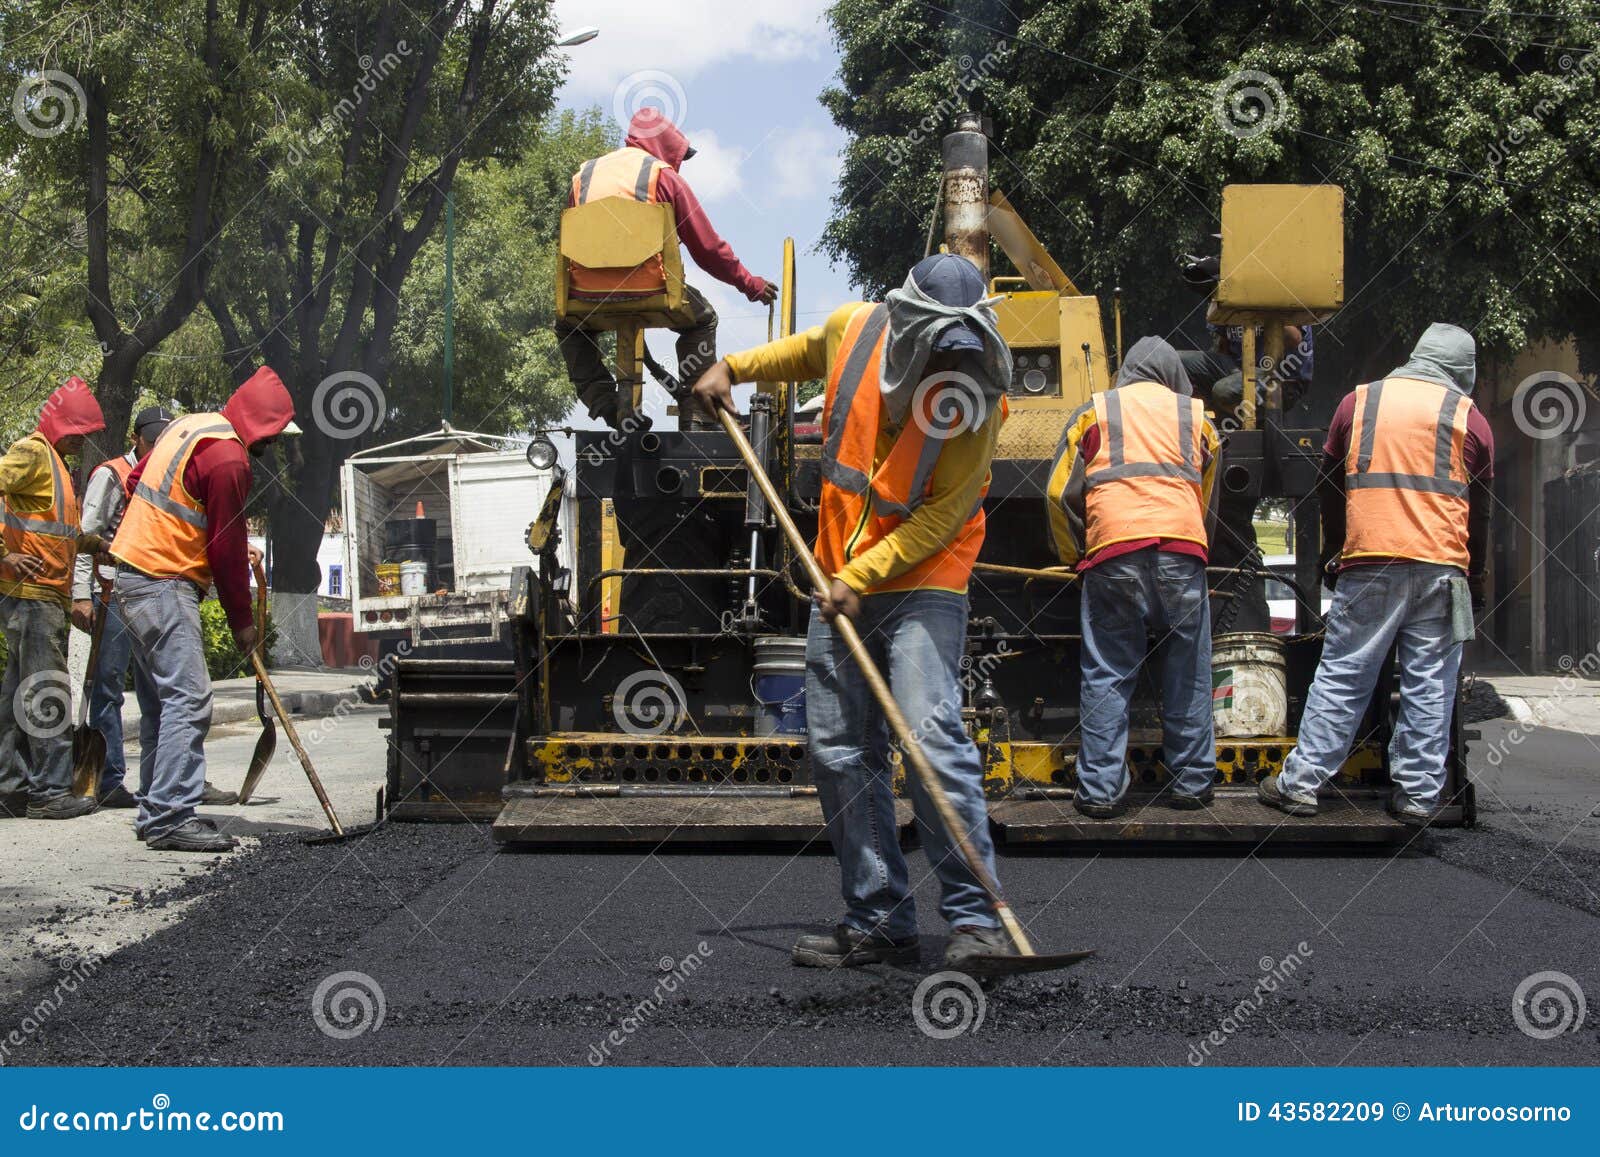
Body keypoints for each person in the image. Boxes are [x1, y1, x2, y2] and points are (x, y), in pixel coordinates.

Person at [694, 252, 1014, 970]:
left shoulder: (976, 399)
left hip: (926, 581)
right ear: (907, 329)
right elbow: (805, 350)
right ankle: (878, 919)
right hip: (838, 575)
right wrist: (733, 368)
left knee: (930, 740)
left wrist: (861, 576)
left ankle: (977, 922)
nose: (947, 363)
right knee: (840, 750)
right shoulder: (857, 329)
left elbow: (942, 517)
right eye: (936, 348)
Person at [1258, 323, 1493, 826]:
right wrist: (1475, 580)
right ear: (1462, 370)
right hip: (1441, 568)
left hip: (1369, 563)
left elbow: (1328, 486)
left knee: (1344, 674)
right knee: (1430, 683)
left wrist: (1333, 551)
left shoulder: (1357, 403)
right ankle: (1418, 796)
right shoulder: (1470, 418)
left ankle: (1300, 786)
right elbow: (1481, 515)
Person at [110, 367, 298, 852]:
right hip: (163, 581)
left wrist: (165, 532)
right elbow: (225, 546)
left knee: (162, 703)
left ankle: (156, 806)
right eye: (274, 434)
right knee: (190, 699)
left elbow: (136, 481)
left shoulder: (189, 426)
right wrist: (242, 623)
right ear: (260, 424)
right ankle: (170, 816)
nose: (273, 444)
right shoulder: (230, 460)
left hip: (131, 575)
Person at [1046, 337, 1221, 817]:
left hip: (1113, 555)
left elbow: (1058, 495)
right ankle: (1192, 783)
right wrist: (1197, 551)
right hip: (1182, 555)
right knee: (1188, 670)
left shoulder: (1093, 413)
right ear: (1174, 375)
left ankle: (1100, 791)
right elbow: (1206, 502)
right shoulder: (1199, 419)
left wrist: (1076, 557)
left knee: (1107, 671)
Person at [557, 107, 777, 430]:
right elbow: (708, 249)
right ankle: (697, 414)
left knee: (568, 327)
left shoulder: (583, 177)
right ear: (666, 146)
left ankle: (607, 405)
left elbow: (569, 240)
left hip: (588, 294)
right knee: (703, 319)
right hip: (649, 288)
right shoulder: (663, 176)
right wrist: (750, 284)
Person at [71, 406, 243, 810]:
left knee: (162, 697)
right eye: (150, 441)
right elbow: (86, 536)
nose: (156, 447)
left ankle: (158, 785)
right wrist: (80, 593)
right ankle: (110, 778)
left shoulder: (170, 462)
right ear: (136, 438)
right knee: (109, 687)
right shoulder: (112, 474)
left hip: (154, 586)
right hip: (112, 593)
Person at [0, 377, 106, 819]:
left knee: (16, 695)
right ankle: (49, 792)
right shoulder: (32, 452)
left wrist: (97, 545)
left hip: (40, 596)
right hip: (33, 597)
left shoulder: (57, 464)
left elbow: (59, 533)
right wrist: (4, 554)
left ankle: (9, 787)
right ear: (60, 424)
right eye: (78, 431)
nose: (82, 440)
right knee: (47, 691)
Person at [1179, 322, 1314, 632]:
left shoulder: (1268, 297)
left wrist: (1253, 318)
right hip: (1238, 369)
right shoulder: (1224, 301)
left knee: (1223, 390)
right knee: (1175, 362)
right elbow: (1221, 343)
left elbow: (1293, 337)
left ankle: (1248, 411)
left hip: (1279, 373)